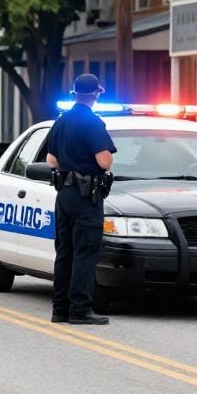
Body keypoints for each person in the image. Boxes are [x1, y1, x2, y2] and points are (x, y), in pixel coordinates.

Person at [45, 74, 116, 325]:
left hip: (64, 195)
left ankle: (60, 309)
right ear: (96, 94)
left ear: (74, 93)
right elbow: (104, 161)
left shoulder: (61, 121)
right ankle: (80, 310)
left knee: (64, 252)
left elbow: (51, 160)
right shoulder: (92, 122)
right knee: (85, 252)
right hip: (86, 197)